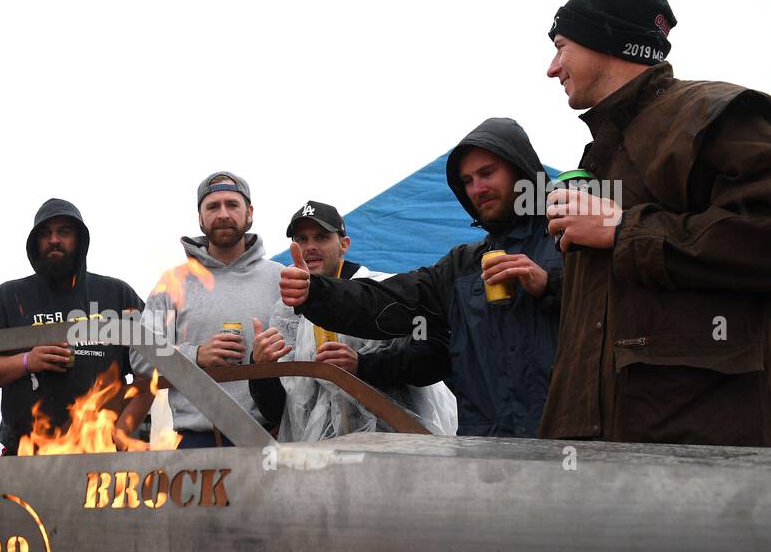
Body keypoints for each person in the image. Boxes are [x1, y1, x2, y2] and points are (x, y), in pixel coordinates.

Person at [542, 0, 771, 446]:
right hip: (596, 456)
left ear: (604, 42)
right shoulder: (604, 153)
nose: (552, 67)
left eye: (561, 46)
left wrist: (624, 229)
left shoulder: (713, 114)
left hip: (696, 458)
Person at [280, 120, 561, 437]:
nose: (477, 189)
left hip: (567, 441)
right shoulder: (462, 265)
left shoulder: (571, 241)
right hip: (488, 449)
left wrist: (550, 286)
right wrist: (316, 293)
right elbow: (389, 300)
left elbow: (616, 311)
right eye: (467, 181)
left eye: (487, 173)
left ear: (520, 170)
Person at [249, 201, 456, 438]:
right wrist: (261, 368)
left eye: (322, 237)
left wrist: (362, 365)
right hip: (318, 460)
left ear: (344, 244)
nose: (310, 247)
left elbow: (434, 355)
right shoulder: (286, 314)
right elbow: (277, 412)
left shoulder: (383, 292)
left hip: (393, 451)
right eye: (302, 239)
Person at [0, 198, 143, 454]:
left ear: (80, 240)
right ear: (35, 243)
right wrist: (27, 361)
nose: (54, 240)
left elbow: (153, 369)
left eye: (64, 232)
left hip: (99, 456)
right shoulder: (9, 297)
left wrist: (123, 429)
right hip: (24, 455)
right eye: (46, 233)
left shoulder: (116, 295)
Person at [125, 171, 283, 449]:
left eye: (232, 205)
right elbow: (140, 356)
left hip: (268, 438)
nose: (223, 213)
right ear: (200, 218)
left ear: (250, 212)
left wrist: (265, 360)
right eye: (213, 206)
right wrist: (195, 354)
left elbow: (303, 356)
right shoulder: (173, 282)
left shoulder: (279, 279)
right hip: (196, 443)